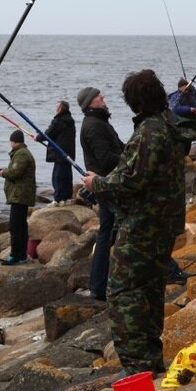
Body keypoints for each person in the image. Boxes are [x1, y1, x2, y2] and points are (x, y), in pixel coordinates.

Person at [79, 69, 194, 376]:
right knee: (150, 292)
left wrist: (96, 184)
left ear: (134, 101)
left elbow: (132, 180)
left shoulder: (149, 133)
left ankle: (138, 368)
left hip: (143, 227)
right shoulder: (168, 124)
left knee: (122, 295)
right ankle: (150, 362)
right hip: (163, 224)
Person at [77, 86, 124, 301]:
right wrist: (129, 160)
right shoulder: (94, 125)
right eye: (98, 96)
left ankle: (98, 286)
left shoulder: (100, 121)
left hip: (106, 185)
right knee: (124, 227)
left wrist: (131, 150)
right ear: (90, 102)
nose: (103, 98)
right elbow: (105, 158)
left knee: (106, 234)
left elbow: (117, 147)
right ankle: (98, 285)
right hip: (107, 186)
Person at [0, 129, 36, 265]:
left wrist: (3, 173)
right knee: (20, 225)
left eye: (10, 141)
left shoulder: (21, 154)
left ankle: (16, 256)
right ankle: (21, 255)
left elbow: (15, 173)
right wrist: (5, 171)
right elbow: (15, 171)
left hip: (20, 196)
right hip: (20, 195)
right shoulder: (22, 153)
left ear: (13, 142)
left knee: (15, 226)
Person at [36, 101, 76, 206]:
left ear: (60, 109)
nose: (55, 109)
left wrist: (38, 137)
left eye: (56, 107)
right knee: (67, 175)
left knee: (57, 177)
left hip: (60, 153)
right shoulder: (70, 121)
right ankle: (67, 197)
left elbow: (49, 134)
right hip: (69, 154)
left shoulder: (58, 121)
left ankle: (58, 199)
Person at [168, 78, 196, 156]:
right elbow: (175, 108)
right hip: (180, 123)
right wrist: (189, 109)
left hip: (189, 123)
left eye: (187, 86)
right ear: (180, 87)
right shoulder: (175, 96)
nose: (187, 87)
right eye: (185, 86)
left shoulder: (190, 96)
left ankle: (186, 157)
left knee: (188, 142)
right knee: (181, 144)